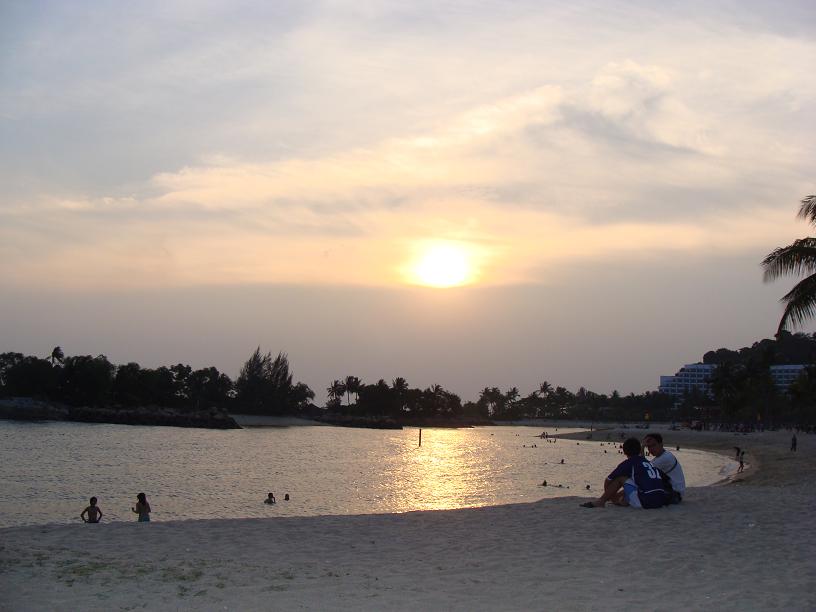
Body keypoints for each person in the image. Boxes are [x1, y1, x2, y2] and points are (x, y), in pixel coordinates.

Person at [581, 437, 667, 509]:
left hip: (646, 502)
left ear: (624, 451)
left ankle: (601, 501)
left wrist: (608, 497)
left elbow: (608, 480)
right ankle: (620, 500)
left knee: (620, 478)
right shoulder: (647, 462)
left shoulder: (629, 463)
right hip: (661, 500)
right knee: (635, 482)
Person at [644, 433, 685, 504]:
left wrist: (642, 447)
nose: (650, 449)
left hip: (674, 495)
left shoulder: (665, 458)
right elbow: (644, 466)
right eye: (648, 446)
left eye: (653, 445)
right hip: (673, 492)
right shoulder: (661, 456)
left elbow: (643, 469)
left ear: (661, 444)